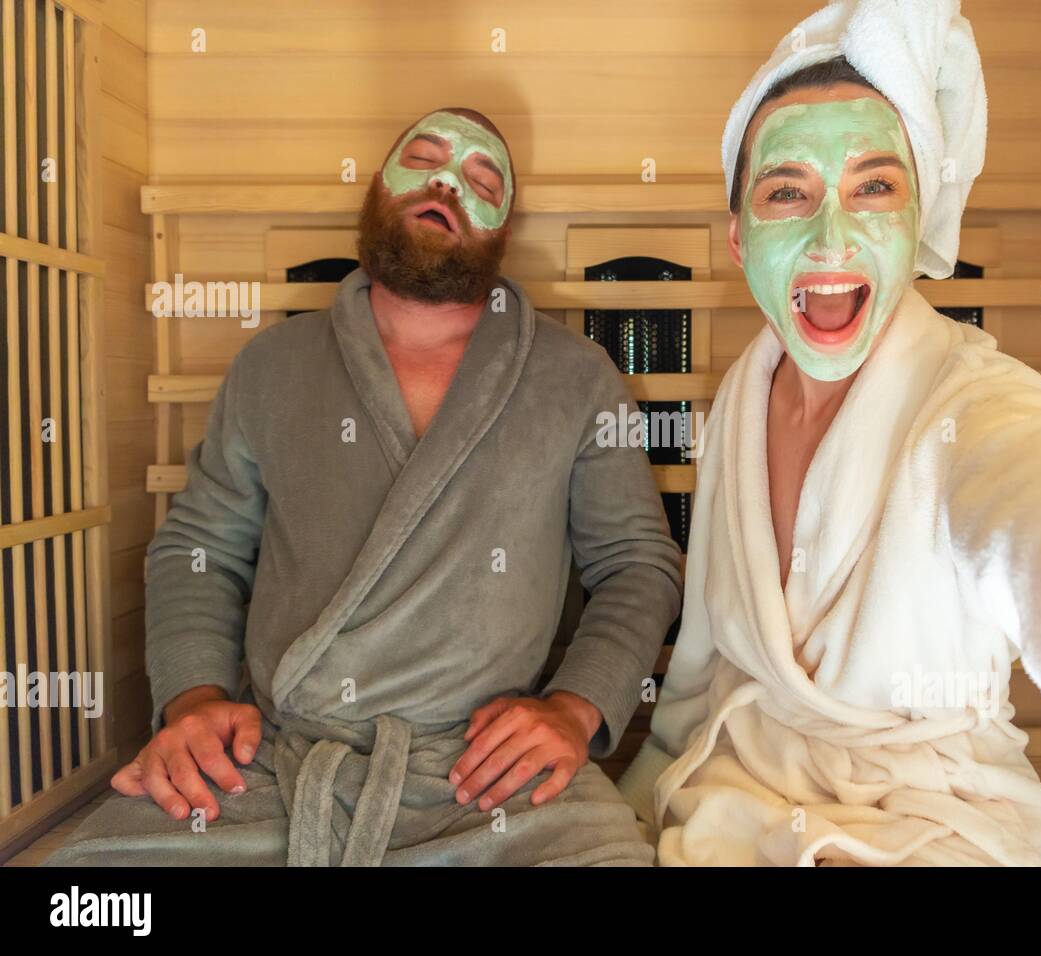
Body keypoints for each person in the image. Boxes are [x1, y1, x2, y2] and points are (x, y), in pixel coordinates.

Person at [619, 0, 1041, 866]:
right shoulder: (742, 401)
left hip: (935, 813)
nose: (832, 235)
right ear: (738, 238)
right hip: (740, 791)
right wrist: (647, 781)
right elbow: (700, 673)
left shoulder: (969, 401)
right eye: (787, 191)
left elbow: (1039, 490)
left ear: (915, 222)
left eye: (875, 187)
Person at [47, 108, 682, 866]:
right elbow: (198, 549)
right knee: (83, 898)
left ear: (501, 231)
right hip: (275, 762)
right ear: (380, 186)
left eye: (482, 178)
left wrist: (574, 711)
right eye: (425, 157)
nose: (448, 179)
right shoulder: (273, 367)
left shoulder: (574, 380)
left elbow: (637, 566)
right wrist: (194, 702)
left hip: (486, 779)